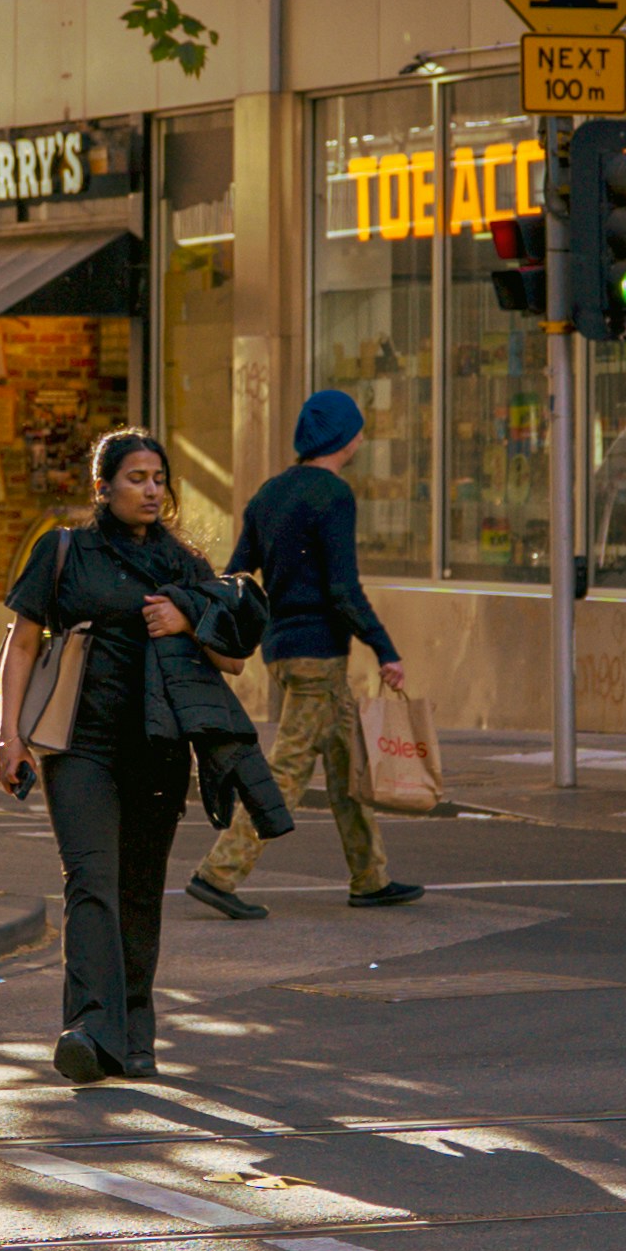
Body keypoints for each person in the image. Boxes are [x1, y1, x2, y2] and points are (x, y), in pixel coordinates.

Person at [0, 426, 261, 1086]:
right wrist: (9, 736)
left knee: (138, 889)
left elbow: (232, 656)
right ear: (102, 487)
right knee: (90, 879)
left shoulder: (184, 563)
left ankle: (135, 1032)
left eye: (157, 478)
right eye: (135, 477)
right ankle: (90, 1025)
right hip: (79, 744)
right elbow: (23, 642)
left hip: (159, 745)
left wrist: (186, 620)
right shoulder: (66, 552)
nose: (149, 489)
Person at [187, 390, 425, 921]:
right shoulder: (333, 496)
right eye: (358, 429)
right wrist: (385, 649)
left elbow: (237, 570)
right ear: (344, 437)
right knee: (289, 769)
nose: (362, 437)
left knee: (346, 768)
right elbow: (344, 588)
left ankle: (371, 878)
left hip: (282, 650)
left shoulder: (269, 494)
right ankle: (218, 873)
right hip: (319, 654)